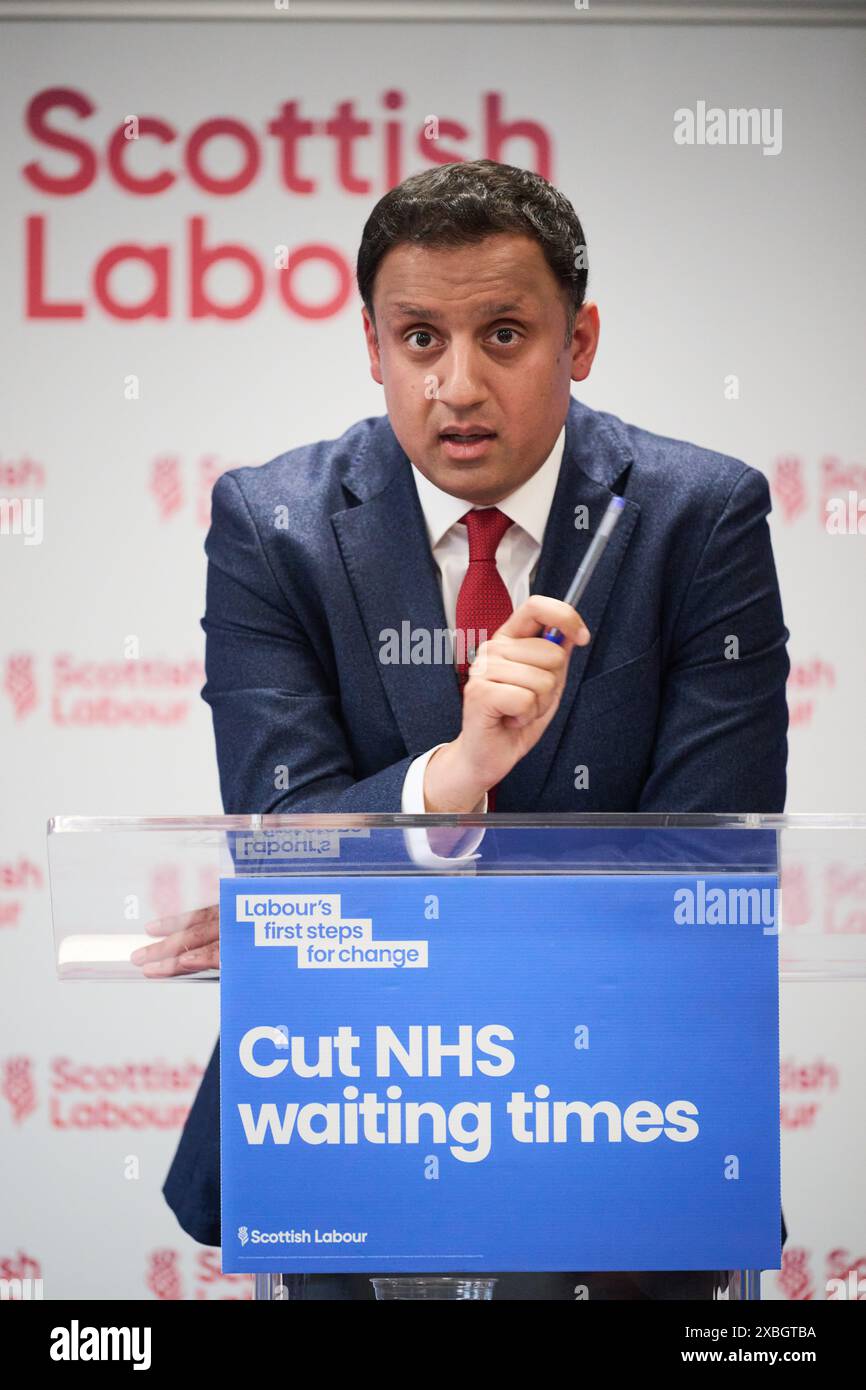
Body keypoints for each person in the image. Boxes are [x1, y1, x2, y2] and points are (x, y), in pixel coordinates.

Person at [137, 159, 790, 1298]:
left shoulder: (700, 516)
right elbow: (282, 839)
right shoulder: (273, 525)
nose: (454, 385)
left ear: (577, 339)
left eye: (501, 334)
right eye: (419, 339)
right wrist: (450, 778)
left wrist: (350, 907)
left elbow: (702, 877)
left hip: (629, 1127)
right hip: (346, 1119)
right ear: (372, 346)